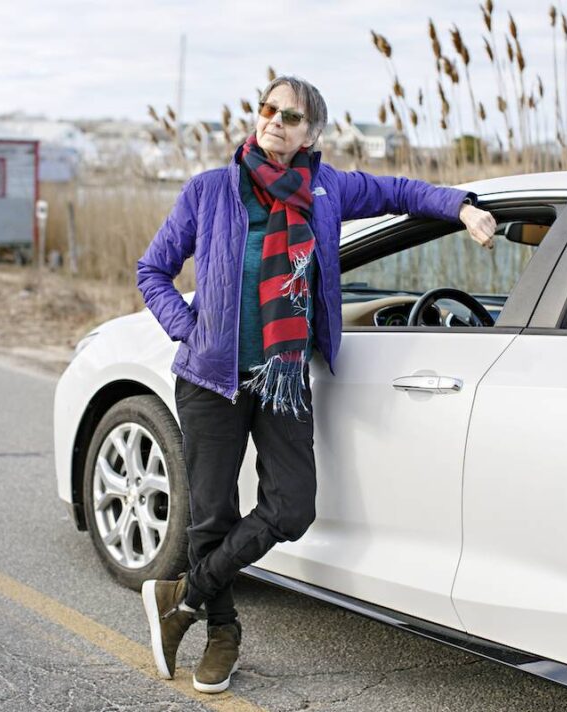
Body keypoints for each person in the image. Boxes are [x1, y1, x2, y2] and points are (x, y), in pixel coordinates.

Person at [134, 75, 496, 694]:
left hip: (283, 378)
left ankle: (184, 594)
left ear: (312, 133)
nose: (275, 120)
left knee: (294, 506)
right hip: (210, 380)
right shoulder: (209, 192)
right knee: (212, 516)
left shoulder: (325, 191)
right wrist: (188, 330)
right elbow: (153, 270)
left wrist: (461, 206)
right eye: (268, 109)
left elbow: (399, 191)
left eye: (291, 116)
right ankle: (222, 633)